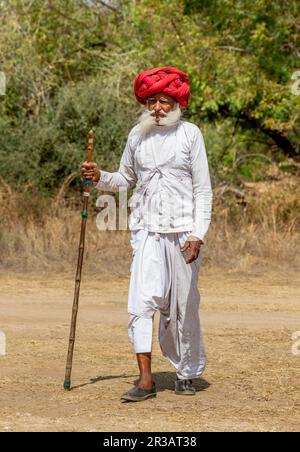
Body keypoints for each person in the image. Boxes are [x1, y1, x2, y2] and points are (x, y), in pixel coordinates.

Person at [81, 66, 213, 402]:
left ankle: (185, 372)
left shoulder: (190, 134)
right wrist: (99, 177)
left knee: (184, 306)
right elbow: (125, 180)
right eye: (151, 100)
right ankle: (145, 381)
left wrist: (198, 234)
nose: (156, 107)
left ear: (176, 103)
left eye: (164, 101)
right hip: (146, 230)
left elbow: (203, 190)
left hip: (184, 232)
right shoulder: (136, 136)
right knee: (141, 302)